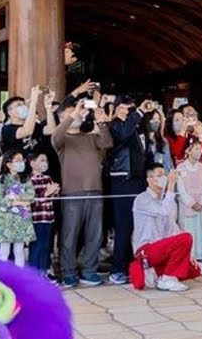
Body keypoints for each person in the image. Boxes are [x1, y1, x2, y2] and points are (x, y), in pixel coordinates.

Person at [52, 99, 113, 287]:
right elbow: (56, 135)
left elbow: (107, 142)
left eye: (80, 112)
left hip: (95, 190)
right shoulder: (62, 140)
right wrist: (73, 114)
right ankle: (68, 271)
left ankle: (89, 270)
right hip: (72, 192)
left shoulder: (89, 136)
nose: (79, 115)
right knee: (69, 234)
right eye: (73, 113)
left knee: (94, 234)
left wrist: (102, 122)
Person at [129, 163, 201, 292]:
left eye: (165, 175)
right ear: (150, 179)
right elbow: (163, 211)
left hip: (162, 249)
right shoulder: (141, 199)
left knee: (195, 270)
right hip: (147, 249)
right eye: (160, 175)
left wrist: (187, 253)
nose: (165, 178)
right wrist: (171, 186)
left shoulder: (165, 199)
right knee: (186, 238)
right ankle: (166, 278)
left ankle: (158, 274)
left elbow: (172, 228)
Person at [107, 97, 152, 285]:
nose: (129, 111)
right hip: (122, 179)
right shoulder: (114, 126)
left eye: (130, 108)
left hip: (139, 178)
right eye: (124, 108)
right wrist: (138, 113)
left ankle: (135, 265)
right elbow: (123, 135)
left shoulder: (138, 127)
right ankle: (118, 268)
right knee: (124, 226)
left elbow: (145, 152)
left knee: (139, 225)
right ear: (116, 109)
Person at [0, 148, 36, 267]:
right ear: (9, 164)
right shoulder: (1, 179)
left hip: (21, 220)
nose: (21, 162)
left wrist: (14, 197)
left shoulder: (25, 179)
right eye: (18, 160)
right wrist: (18, 202)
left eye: (22, 160)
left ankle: (19, 277)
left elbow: (31, 195)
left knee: (19, 250)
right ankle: (3, 278)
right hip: (5, 221)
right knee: (4, 251)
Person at [176, 140, 202, 269]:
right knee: (188, 231)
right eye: (196, 149)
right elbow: (180, 188)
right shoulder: (180, 167)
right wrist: (191, 203)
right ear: (188, 151)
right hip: (187, 205)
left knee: (201, 230)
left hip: (201, 204)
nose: (199, 152)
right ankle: (189, 258)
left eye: (200, 149)